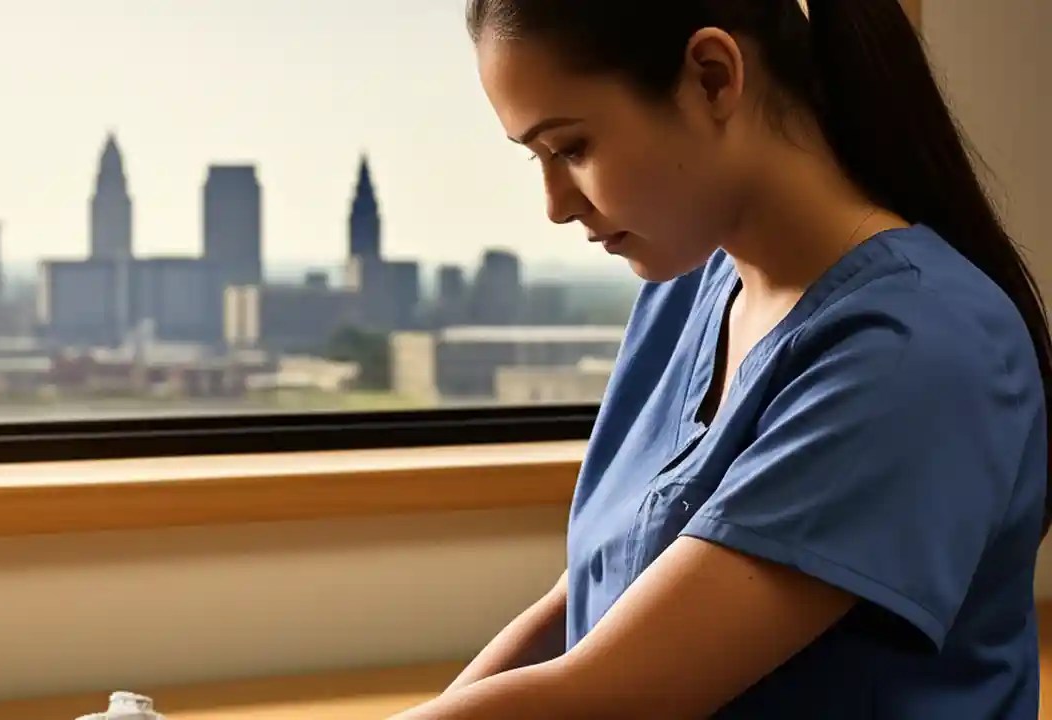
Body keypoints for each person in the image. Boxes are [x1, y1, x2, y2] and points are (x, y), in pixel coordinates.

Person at [392, 0, 1051, 718]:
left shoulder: (919, 352)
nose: (553, 204)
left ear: (712, 77)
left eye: (571, 148)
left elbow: (612, 697)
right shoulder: (690, 286)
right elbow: (586, 602)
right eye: (536, 156)